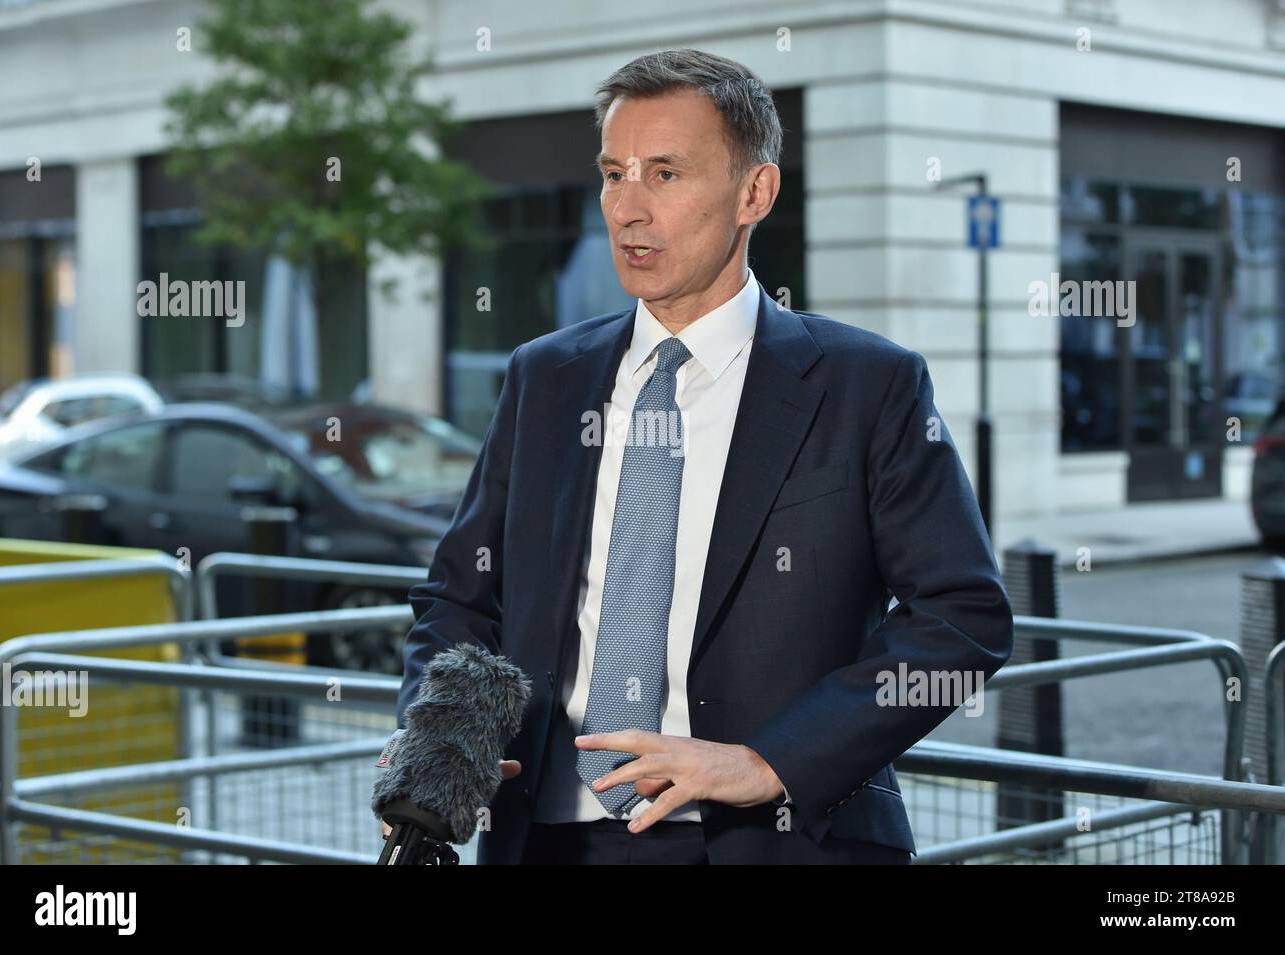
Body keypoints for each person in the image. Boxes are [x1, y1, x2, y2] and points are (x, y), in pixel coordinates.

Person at [387, 48, 1013, 864]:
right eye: (615, 174)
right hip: (547, 839)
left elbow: (961, 617)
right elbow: (461, 597)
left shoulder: (868, 384)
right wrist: (436, 748)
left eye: (666, 175)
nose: (627, 209)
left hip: (776, 839)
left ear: (755, 192)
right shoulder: (545, 377)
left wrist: (771, 761)